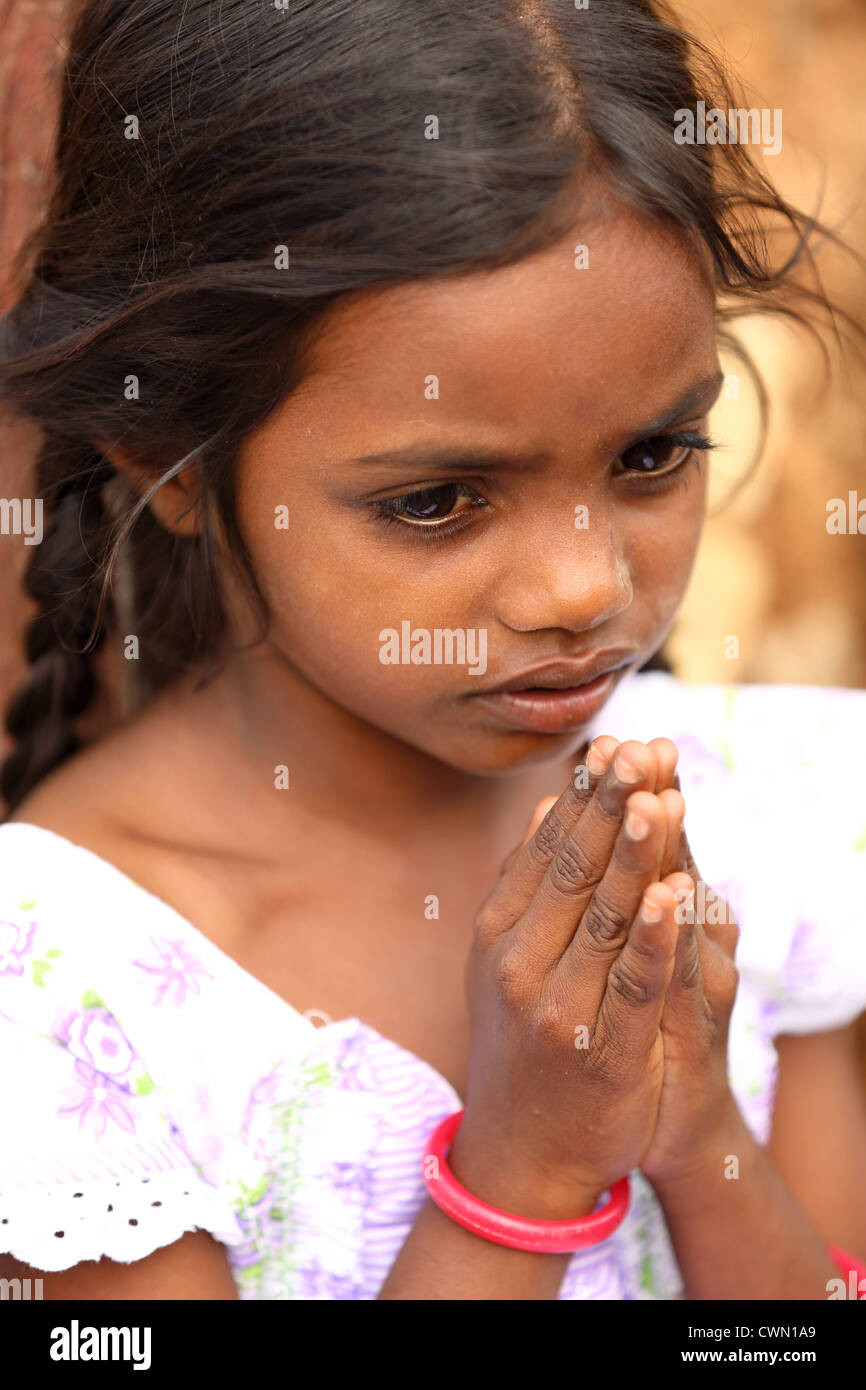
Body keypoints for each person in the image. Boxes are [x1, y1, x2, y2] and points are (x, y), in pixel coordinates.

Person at [0, 0, 864, 1301]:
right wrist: (519, 1176)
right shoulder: (64, 998)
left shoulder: (743, 824)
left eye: (648, 455)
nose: (585, 587)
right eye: (436, 500)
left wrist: (696, 1139)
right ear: (166, 460)